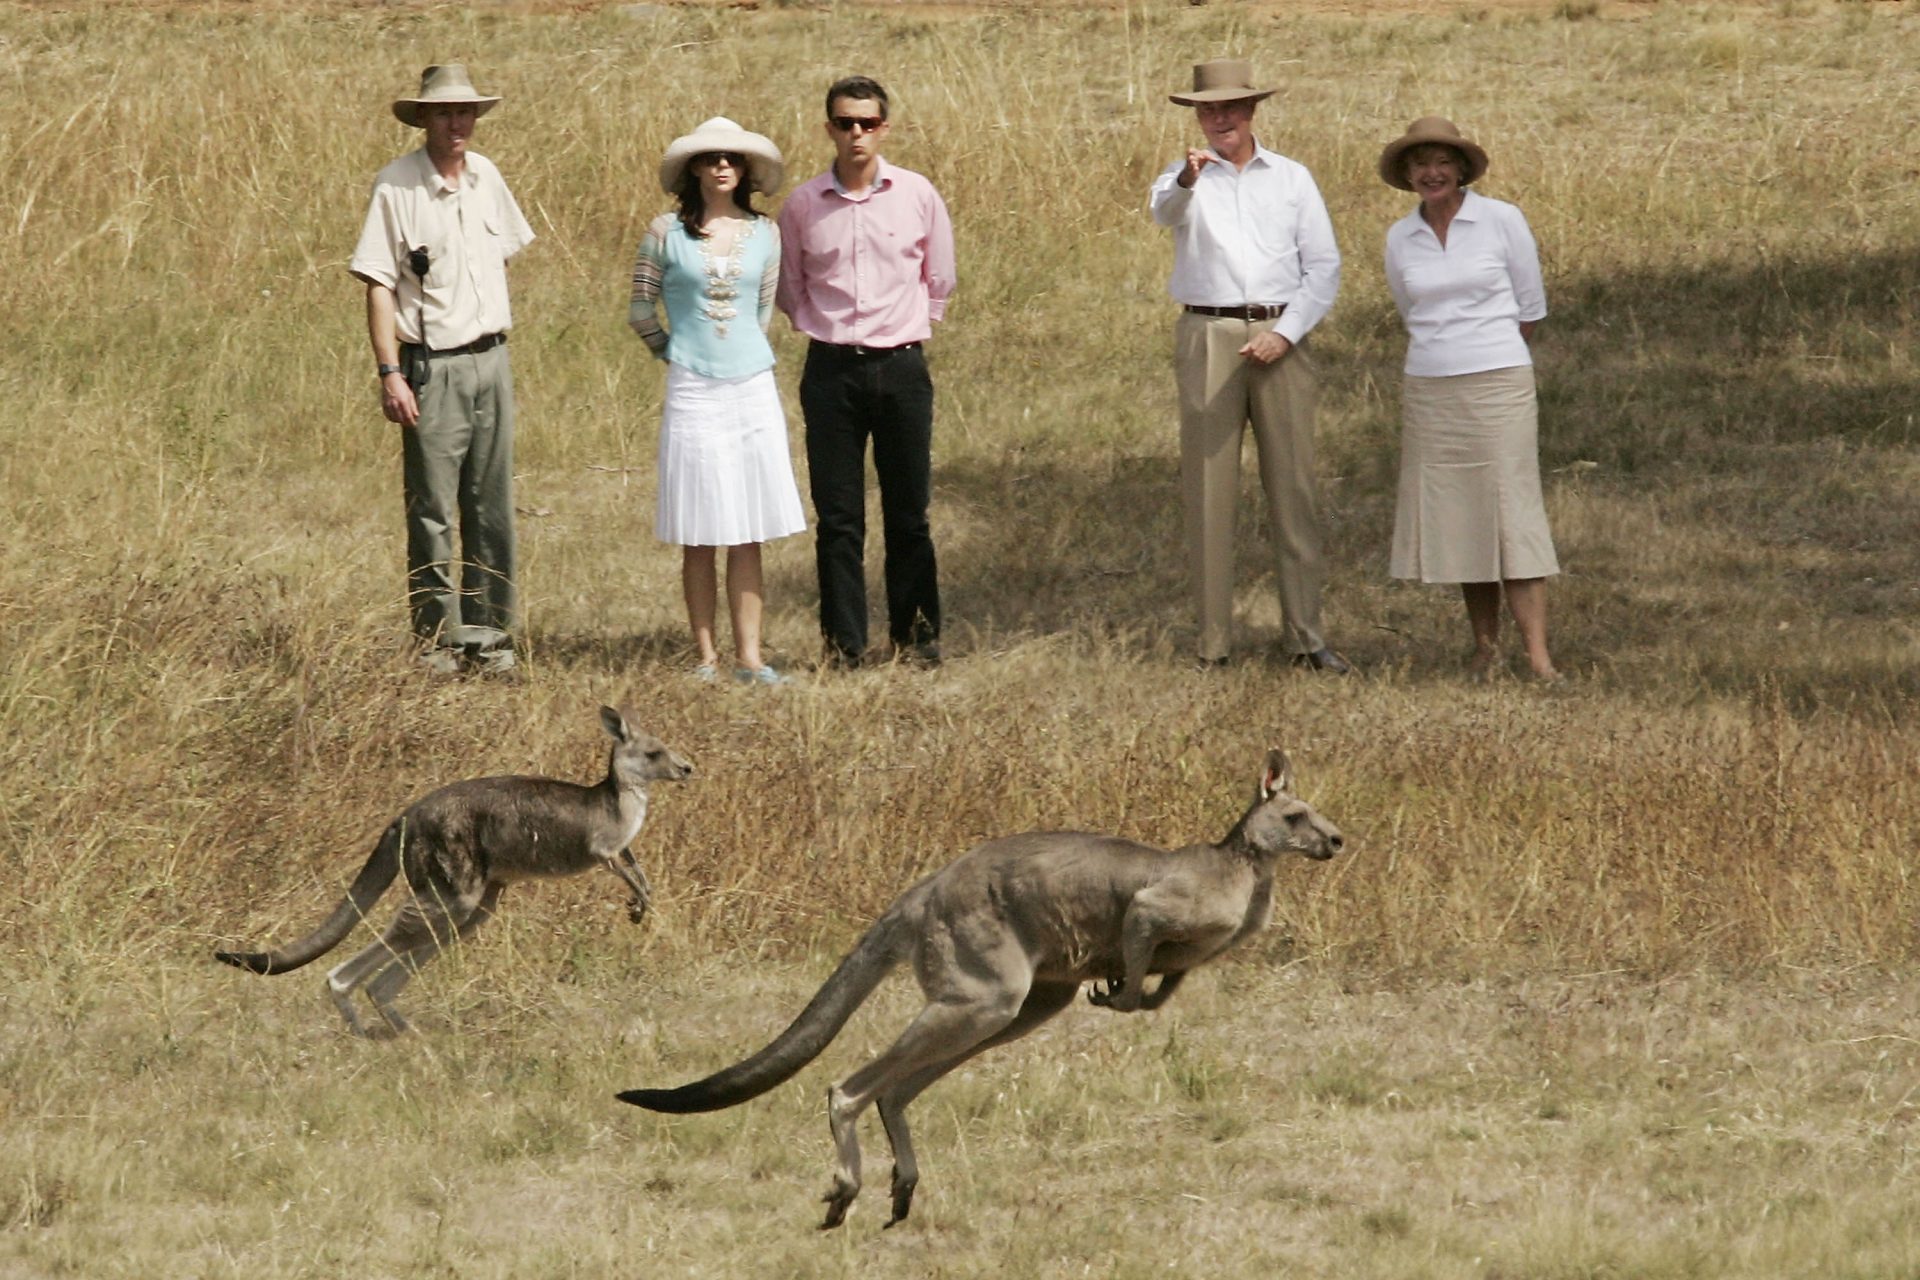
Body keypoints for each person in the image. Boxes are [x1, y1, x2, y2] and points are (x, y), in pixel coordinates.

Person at [1151, 57, 1349, 674]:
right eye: (1209, 110)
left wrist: (1285, 334)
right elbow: (1163, 212)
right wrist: (1187, 178)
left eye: (1230, 109)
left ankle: (1306, 637)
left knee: (1293, 488)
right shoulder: (1182, 180)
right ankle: (1213, 644)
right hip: (1207, 333)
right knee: (1210, 491)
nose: (1220, 120)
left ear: (1252, 111)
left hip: (1279, 334)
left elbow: (1324, 269)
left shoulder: (1291, 178)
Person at [350, 64, 533, 676]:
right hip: (431, 367)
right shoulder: (395, 187)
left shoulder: (486, 177)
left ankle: (491, 636)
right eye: (444, 112)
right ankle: (438, 641)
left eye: (465, 112)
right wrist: (389, 372)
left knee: (493, 504)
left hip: (491, 359)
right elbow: (378, 285)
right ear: (423, 118)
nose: (457, 123)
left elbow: (502, 253)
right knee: (432, 508)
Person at [777, 75, 956, 670]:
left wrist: (907, 326)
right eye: (846, 123)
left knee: (909, 512)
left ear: (885, 127)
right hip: (831, 371)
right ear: (829, 128)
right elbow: (791, 288)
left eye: (869, 123)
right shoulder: (803, 205)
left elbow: (939, 277)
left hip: (902, 367)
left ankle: (917, 637)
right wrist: (829, 330)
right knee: (838, 518)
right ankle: (845, 646)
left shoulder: (916, 194)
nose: (858, 134)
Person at [1379, 117, 1561, 682]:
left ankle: (1538, 658)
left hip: (1498, 382)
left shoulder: (1501, 220)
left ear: (1460, 168)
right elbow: (1411, 311)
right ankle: (1485, 649)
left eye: (1440, 162)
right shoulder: (1399, 237)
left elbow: (1529, 308)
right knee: (1461, 518)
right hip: (1432, 387)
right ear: (1408, 175)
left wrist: (1487, 349)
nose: (1431, 173)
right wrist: (1448, 352)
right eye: (1419, 164)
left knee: (1511, 513)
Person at [629, 118, 808, 685]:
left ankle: (750, 657)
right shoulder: (664, 232)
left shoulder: (766, 233)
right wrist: (674, 351)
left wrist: (735, 352)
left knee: (749, 525)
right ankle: (705, 655)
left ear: (746, 169)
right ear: (695, 169)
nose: (723, 166)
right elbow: (640, 309)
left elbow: (761, 311)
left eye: (733, 158)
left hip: (751, 383)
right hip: (693, 387)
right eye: (712, 159)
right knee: (699, 526)